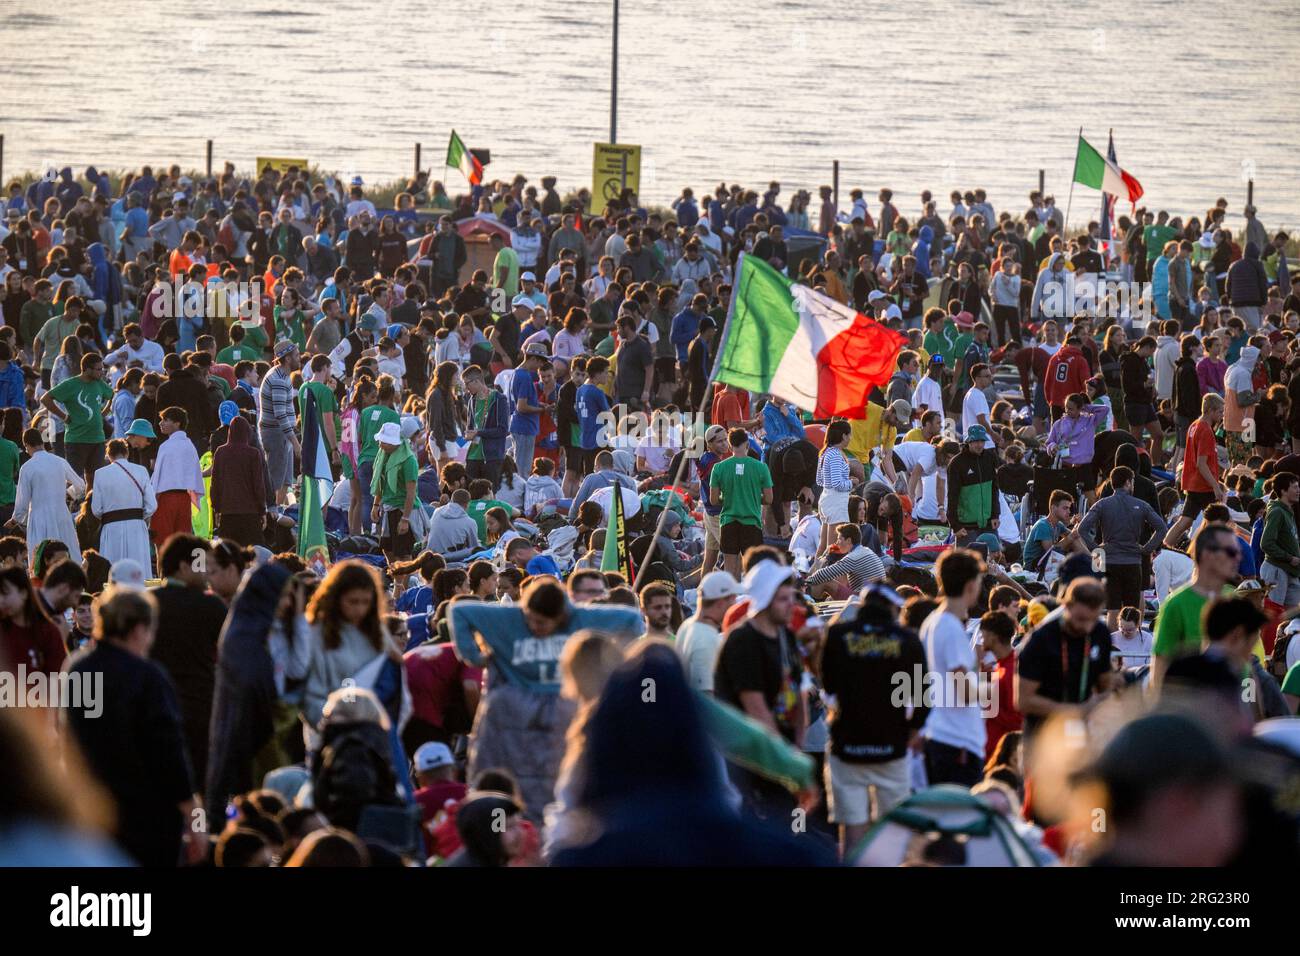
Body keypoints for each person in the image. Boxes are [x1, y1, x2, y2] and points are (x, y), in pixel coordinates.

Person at [448, 576, 644, 820]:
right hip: (512, 720)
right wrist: (474, 657)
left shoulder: (581, 618)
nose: (535, 627)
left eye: (542, 623)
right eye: (530, 619)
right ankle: (502, 839)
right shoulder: (510, 618)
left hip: (562, 716)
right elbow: (458, 611)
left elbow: (634, 621)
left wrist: (611, 665)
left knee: (560, 792)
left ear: (561, 617)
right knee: (502, 791)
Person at [66, 587, 203, 866]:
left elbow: (72, 740)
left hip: (93, 813)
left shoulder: (78, 671)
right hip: (148, 817)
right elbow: (169, 753)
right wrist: (194, 816)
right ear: (140, 629)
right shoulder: (147, 677)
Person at [819, 584, 929, 857]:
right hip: (891, 746)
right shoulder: (907, 639)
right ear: (892, 608)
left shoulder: (838, 634)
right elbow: (923, 697)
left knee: (853, 835)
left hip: (847, 746)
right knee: (893, 836)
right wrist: (912, 731)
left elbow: (828, 686)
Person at [148, 534, 229, 789]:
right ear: (184, 566)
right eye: (202, 565)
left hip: (156, 707)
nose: (207, 572)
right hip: (200, 706)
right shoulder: (211, 606)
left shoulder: (147, 604)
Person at [918, 548, 987, 787]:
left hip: (943, 736)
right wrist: (997, 684)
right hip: (957, 741)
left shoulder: (933, 621)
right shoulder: (951, 628)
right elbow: (965, 691)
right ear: (970, 586)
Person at [1014, 577, 1116, 740]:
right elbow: (1024, 700)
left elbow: (1105, 684)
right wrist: (1072, 711)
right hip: (1043, 735)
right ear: (1066, 606)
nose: (1087, 627)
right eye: (1081, 619)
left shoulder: (1100, 632)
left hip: (1082, 733)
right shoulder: (1041, 639)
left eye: (1093, 619)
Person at [1076, 466, 1167, 631]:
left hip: (1110, 562)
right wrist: (1147, 549)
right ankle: (1135, 647)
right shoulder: (1141, 504)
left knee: (1112, 610)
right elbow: (1162, 528)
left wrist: (1097, 549)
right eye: (1132, 481)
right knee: (1132, 611)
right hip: (1133, 561)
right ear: (1128, 482)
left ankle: (1112, 649)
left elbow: (1082, 529)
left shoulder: (1102, 504)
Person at [1151, 522, 1241, 690]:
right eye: (1230, 552)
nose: (1237, 558)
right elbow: (1160, 669)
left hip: (1228, 707)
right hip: (1188, 707)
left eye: (1238, 552)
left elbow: (1246, 665)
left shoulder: (1235, 601)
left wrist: (1246, 708)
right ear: (1207, 554)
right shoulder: (1176, 604)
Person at [12, 426, 85, 566]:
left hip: (39, 517)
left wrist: (15, 519)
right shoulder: (59, 461)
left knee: (41, 559)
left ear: (26, 445)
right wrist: (69, 494)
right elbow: (81, 485)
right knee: (69, 555)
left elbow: (22, 501)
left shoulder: (27, 467)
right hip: (61, 514)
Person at [42, 350, 112, 488]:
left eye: (102, 369)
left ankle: (89, 506)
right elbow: (46, 399)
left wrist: (103, 413)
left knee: (95, 478)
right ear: (87, 369)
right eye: (98, 369)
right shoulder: (71, 384)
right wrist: (64, 416)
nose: (101, 372)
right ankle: (70, 506)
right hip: (76, 440)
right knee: (73, 479)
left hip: (97, 439)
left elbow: (111, 395)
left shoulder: (99, 383)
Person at [1163, 393, 1225, 548]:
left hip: (1192, 482)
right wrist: (1216, 486)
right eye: (1219, 412)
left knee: (1186, 520)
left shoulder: (1194, 425)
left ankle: (1163, 546)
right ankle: (1209, 550)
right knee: (1217, 520)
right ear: (1210, 411)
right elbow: (1201, 463)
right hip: (1203, 485)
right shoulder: (1206, 430)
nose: (1222, 415)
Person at [709, 428, 773, 578]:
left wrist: (728, 498)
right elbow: (769, 499)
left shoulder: (718, 468)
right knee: (752, 571)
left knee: (729, 571)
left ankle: (731, 599)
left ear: (730, 445)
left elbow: (713, 500)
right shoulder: (761, 467)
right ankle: (750, 600)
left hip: (728, 522)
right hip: (751, 522)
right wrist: (754, 498)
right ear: (747, 444)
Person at [90, 438, 156, 570]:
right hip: (136, 526)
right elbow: (152, 505)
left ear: (109, 456)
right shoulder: (141, 470)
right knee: (139, 569)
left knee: (114, 570)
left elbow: (96, 509)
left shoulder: (100, 474)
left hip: (111, 527)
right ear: (127, 453)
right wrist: (138, 516)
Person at [675, 570, 742, 693]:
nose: (735, 605)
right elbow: (707, 697)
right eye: (733, 599)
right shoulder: (707, 639)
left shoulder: (688, 625)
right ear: (721, 603)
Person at [208, 415, 268, 548]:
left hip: (227, 513)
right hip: (250, 514)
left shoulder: (220, 452)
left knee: (229, 557)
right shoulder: (253, 454)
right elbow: (258, 485)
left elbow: (215, 484)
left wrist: (216, 508)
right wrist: (262, 510)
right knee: (254, 556)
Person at [149, 406, 203, 547]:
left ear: (177, 423)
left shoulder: (166, 446)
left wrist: (150, 500)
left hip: (165, 499)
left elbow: (157, 478)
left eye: (165, 420)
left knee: (163, 544)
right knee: (182, 544)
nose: (161, 423)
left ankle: (164, 570)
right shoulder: (190, 446)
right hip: (185, 499)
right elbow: (196, 475)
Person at [258, 341, 302, 505]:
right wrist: (295, 443)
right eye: (297, 355)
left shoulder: (282, 375)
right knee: (274, 482)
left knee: (285, 482)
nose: (300, 358)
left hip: (283, 434)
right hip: (276, 434)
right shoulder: (278, 379)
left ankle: (277, 517)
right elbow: (280, 415)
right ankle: (271, 517)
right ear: (288, 359)